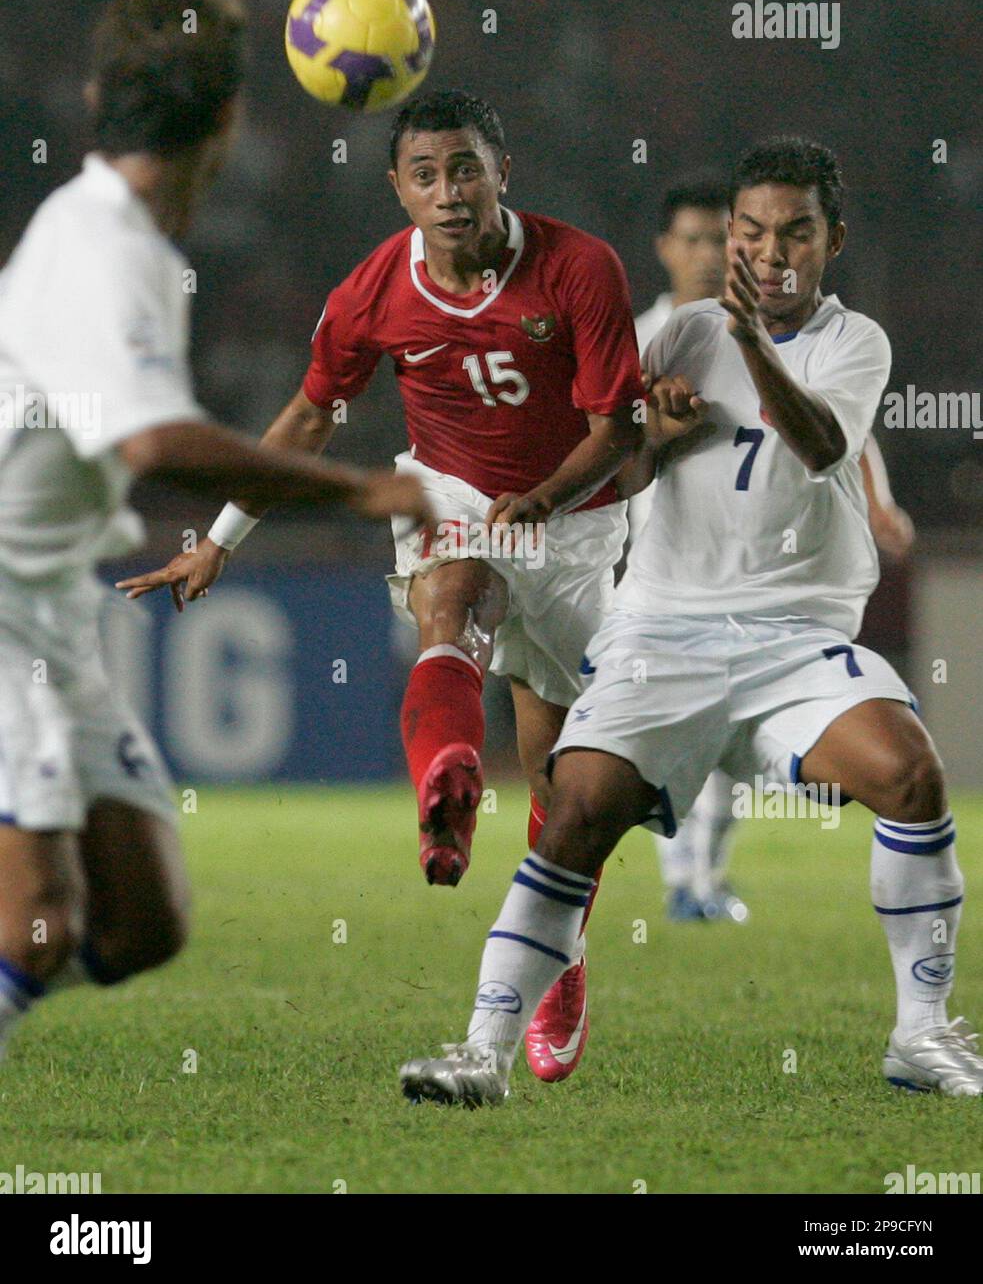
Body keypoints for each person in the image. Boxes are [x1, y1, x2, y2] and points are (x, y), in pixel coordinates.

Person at [400, 136, 981, 1104]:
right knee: (574, 811)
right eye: (749, 230)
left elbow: (820, 444)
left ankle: (919, 1035)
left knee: (909, 775)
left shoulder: (853, 341)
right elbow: (621, 479)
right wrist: (656, 439)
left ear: (830, 239)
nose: (765, 250)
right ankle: (480, 1053)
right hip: (662, 628)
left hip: (796, 639)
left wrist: (751, 343)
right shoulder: (673, 338)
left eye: (792, 231)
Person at [118, 89, 657, 1083]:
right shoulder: (374, 290)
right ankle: (445, 772)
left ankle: (562, 958)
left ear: (502, 171)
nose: (447, 192)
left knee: (561, 787)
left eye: (464, 169)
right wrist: (222, 541)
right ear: (396, 190)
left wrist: (540, 497)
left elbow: (617, 432)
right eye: (424, 175)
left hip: (576, 527)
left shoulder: (579, 267)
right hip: (452, 493)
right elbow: (310, 418)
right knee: (447, 596)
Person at [0, 0, 429, 1067]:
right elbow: (154, 443)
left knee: (143, 922)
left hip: (47, 606)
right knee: (35, 921)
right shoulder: (99, 243)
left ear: (99, 97)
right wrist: (354, 489)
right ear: (230, 122)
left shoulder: (123, 235)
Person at [628, 183, 916, 925]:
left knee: (728, 749)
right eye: (686, 240)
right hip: (660, 564)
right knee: (662, 747)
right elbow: (610, 441)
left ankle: (700, 878)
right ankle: (679, 876)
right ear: (664, 249)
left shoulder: (812, 337)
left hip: (755, 574)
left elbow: (841, 430)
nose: (700, 254)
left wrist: (877, 502)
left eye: (710, 238)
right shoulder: (651, 335)